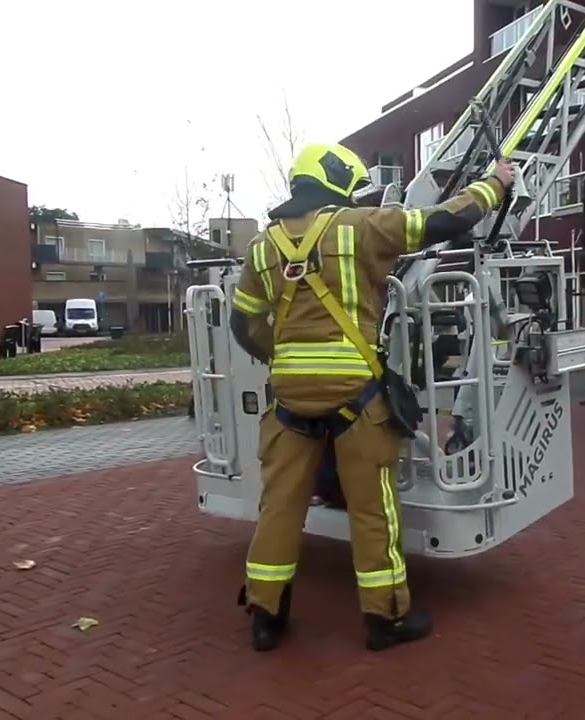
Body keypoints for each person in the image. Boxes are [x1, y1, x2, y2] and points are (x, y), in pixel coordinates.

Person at [229, 141, 514, 652]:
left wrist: (286, 356)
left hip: (289, 399)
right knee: (373, 511)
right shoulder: (359, 226)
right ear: (337, 182)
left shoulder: (263, 246)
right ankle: (386, 620)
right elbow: (442, 222)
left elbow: (242, 322)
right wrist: (494, 185)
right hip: (355, 398)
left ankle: (265, 617)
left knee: (279, 508)